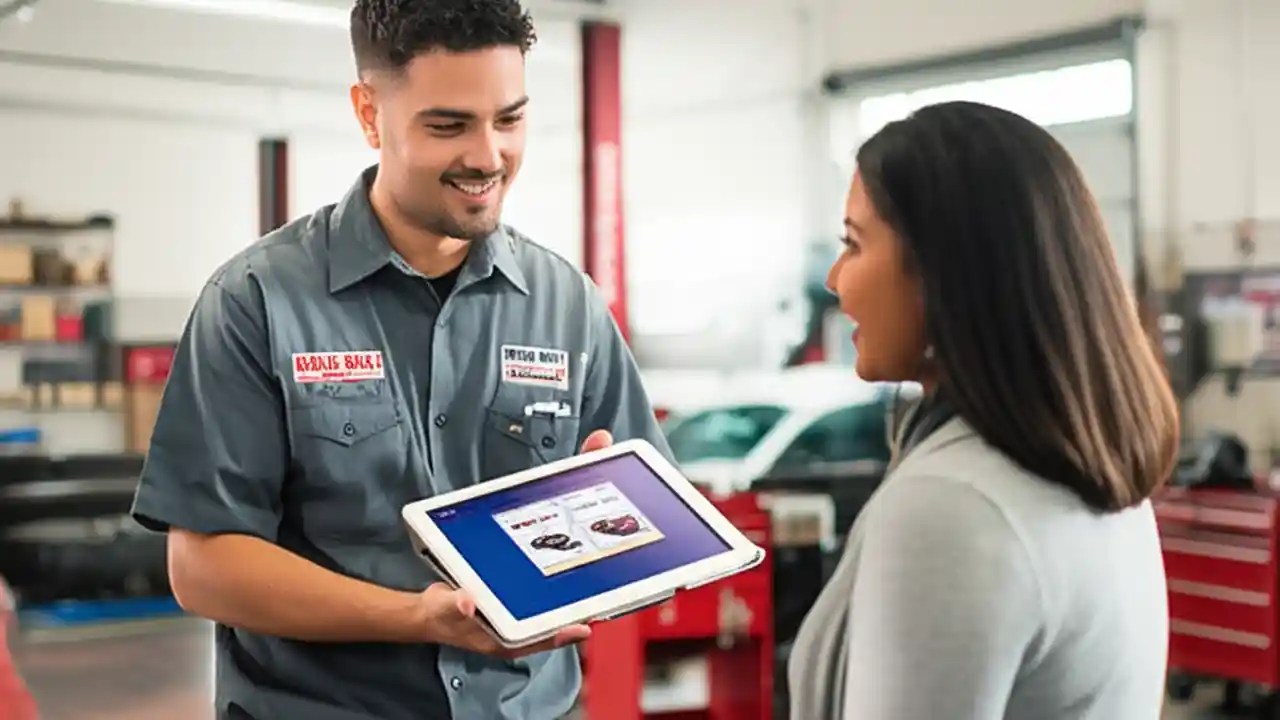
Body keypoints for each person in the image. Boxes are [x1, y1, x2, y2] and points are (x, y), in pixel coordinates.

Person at [129, 2, 670, 718]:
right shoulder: (258, 301)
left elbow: (655, 536)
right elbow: (203, 567)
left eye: (509, 120)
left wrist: (607, 515)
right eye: (448, 126)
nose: (488, 156)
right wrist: (416, 617)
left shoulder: (566, 304)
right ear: (368, 113)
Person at [788, 101, 1179, 719]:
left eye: (854, 244)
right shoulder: (1083, 467)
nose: (836, 280)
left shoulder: (951, 504)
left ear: (944, 272)